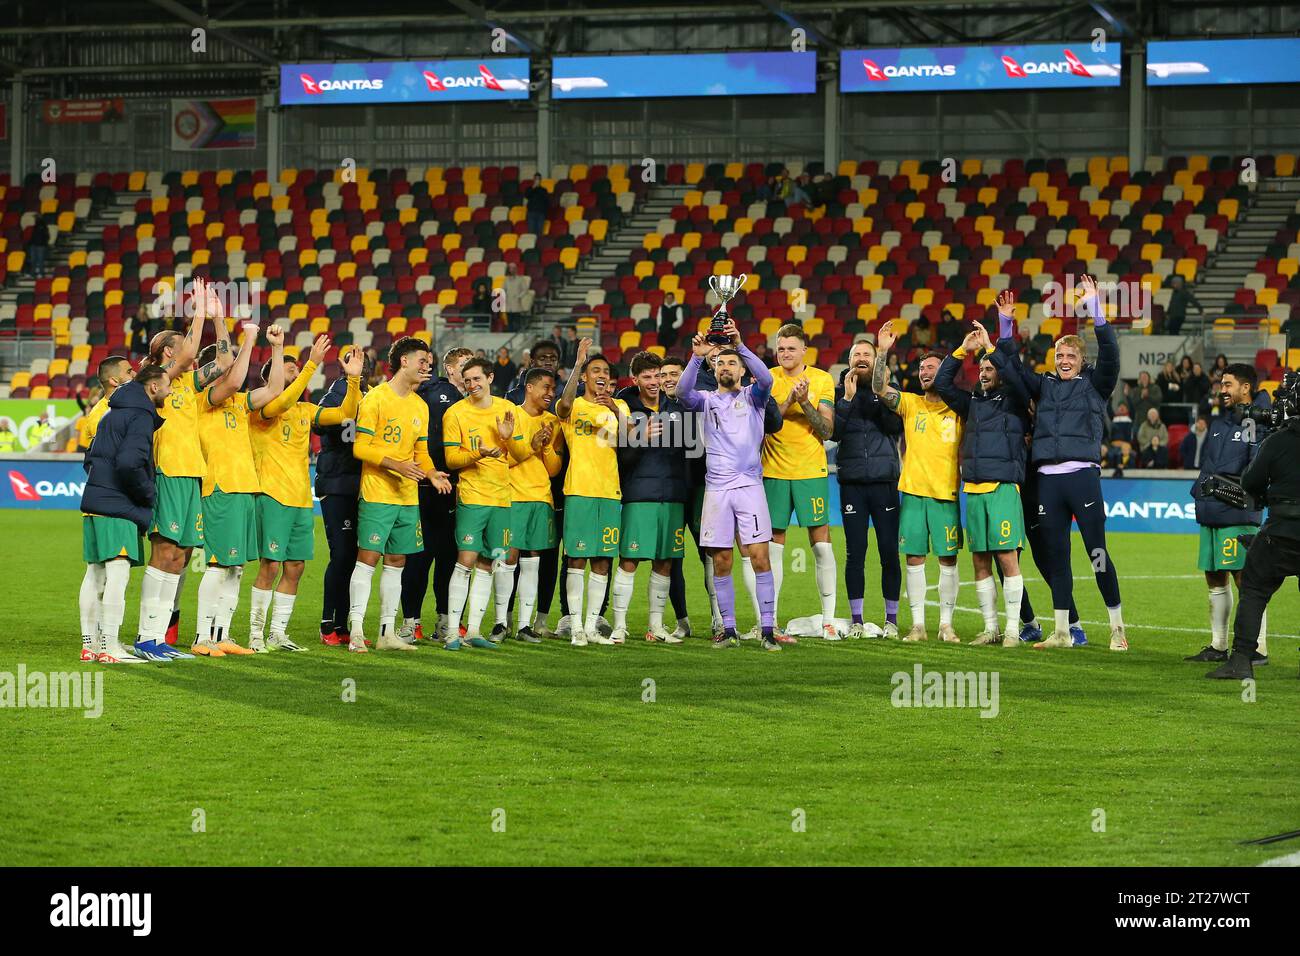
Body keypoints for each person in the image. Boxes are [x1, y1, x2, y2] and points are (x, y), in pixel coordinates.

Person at [997, 275, 1128, 651]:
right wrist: (1006, 325)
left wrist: (1095, 310)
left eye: (1071, 356)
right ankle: (1061, 632)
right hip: (1048, 482)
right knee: (1056, 559)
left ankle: (1117, 628)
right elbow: (1012, 369)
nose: (1065, 360)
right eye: (1059, 357)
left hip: (1082, 477)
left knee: (1097, 554)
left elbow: (1112, 356)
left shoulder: (1096, 385)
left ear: (1081, 360)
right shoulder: (1045, 385)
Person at [248, 337, 362, 652]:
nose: (297, 372)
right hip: (272, 494)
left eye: (297, 368)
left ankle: (278, 633)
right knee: (269, 566)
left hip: (300, 498)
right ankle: (256, 634)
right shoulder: (264, 406)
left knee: (295, 566)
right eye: (290, 369)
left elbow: (344, 415)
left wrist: (353, 379)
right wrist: (311, 362)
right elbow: (281, 401)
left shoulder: (305, 410)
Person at [136, 278, 232, 655]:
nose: (191, 355)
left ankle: (159, 637)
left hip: (193, 475)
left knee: (180, 557)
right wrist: (199, 313)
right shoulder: (153, 382)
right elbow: (191, 349)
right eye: (182, 350)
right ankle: (146, 636)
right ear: (165, 354)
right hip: (168, 473)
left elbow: (223, 362)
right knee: (164, 554)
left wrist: (219, 318)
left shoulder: (189, 383)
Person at [674, 322, 781, 652]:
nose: (725, 366)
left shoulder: (754, 396)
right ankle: (729, 630)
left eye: (731, 362)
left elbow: (767, 378)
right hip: (717, 491)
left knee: (760, 557)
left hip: (750, 487)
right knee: (721, 561)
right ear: (714, 368)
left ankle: (767, 630)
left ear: (741, 368)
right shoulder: (706, 400)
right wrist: (695, 357)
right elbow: (680, 393)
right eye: (720, 362)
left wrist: (741, 345)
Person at [346, 336, 451, 653]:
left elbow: (421, 453)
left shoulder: (420, 405)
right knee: (368, 560)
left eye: (430, 363)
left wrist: (431, 473)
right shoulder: (375, 399)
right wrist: (397, 465)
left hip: (407, 497)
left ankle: (386, 632)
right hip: (378, 493)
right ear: (403, 361)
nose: (427, 366)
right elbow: (359, 447)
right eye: (423, 360)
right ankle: (355, 631)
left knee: (396, 561)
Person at [192, 323, 288, 657]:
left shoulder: (238, 402)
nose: (237, 370)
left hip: (245, 487)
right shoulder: (204, 398)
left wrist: (276, 347)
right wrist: (248, 340)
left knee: (235, 568)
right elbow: (232, 378)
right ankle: (202, 636)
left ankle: (223, 635)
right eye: (229, 363)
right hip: (219, 488)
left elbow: (275, 388)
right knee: (218, 565)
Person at [933, 319, 1031, 647]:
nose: (985, 372)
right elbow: (944, 384)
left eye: (990, 368)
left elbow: (1018, 378)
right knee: (979, 560)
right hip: (973, 489)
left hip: (1003, 487)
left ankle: (1014, 631)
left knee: (1007, 557)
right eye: (982, 369)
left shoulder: (1016, 399)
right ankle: (991, 628)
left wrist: (991, 348)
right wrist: (964, 350)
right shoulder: (972, 402)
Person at [873, 324, 963, 643]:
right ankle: (918, 626)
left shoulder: (959, 409)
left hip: (946, 493)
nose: (924, 372)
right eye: (922, 368)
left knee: (948, 560)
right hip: (912, 493)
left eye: (931, 368)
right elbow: (880, 388)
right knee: (913, 559)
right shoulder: (911, 403)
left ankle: (946, 625)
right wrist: (882, 351)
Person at [77, 365, 172, 664]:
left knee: (94, 574)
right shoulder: (140, 415)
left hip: (95, 501)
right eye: (167, 385)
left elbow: (90, 456)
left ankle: (90, 645)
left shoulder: (111, 411)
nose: (170, 391)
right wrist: (147, 495)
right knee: (117, 576)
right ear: (154, 387)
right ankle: (109, 646)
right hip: (118, 505)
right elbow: (131, 462)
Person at [1204, 394, 1300, 680]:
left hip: (1281, 531)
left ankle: (1242, 659)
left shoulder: (1278, 440)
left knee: (1254, 591)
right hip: (1281, 531)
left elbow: (1250, 482)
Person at [1187, 365, 1270, 667]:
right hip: (1211, 509)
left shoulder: (1257, 424)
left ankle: (1257, 648)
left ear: (1245, 388)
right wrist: (1202, 491)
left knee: (1244, 579)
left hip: (1236, 512)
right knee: (1214, 576)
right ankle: (1218, 645)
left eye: (1228, 384)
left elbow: (1257, 471)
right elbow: (1209, 465)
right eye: (1221, 384)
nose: (1221, 390)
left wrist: (1227, 491)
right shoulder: (1220, 422)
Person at [441, 357, 525, 648]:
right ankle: (453, 632)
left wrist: (508, 439)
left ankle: (474, 632)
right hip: (472, 496)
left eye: (477, 379)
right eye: (467, 381)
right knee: (466, 560)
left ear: (490, 378)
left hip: (502, 498)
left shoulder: (508, 409)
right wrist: (479, 454)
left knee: (489, 562)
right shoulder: (455, 414)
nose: (472, 385)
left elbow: (520, 454)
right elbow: (452, 460)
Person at [761, 323, 838, 640]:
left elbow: (827, 431)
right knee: (773, 549)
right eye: (780, 348)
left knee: (821, 545)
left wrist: (805, 402)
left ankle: (828, 621)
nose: (785, 354)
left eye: (791, 348)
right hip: (774, 472)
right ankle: (771, 621)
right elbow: (766, 423)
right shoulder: (767, 379)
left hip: (810, 472)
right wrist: (789, 400)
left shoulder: (822, 379)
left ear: (804, 350)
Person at [610, 351, 688, 645]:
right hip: (639, 493)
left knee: (664, 562)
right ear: (635, 380)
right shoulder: (626, 409)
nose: (655, 382)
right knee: (630, 559)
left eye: (658, 376)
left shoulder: (677, 407)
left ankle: (656, 626)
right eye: (648, 377)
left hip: (671, 494)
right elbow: (621, 456)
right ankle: (619, 625)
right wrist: (640, 438)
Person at [554, 339, 628, 646]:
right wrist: (577, 363)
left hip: (610, 492)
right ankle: (575, 628)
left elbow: (630, 441)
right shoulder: (574, 407)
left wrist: (615, 410)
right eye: (594, 369)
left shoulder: (619, 406)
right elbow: (563, 405)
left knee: (602, 560)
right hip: (580, 490)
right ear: (585, 376)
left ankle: (591, 627)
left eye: (605, 371)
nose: (600, 374)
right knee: (576, 558)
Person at [833, 340, 903, 638]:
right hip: (852, 484)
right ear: (849, 362)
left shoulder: (889, 390)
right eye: (856, 354)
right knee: (855, 553)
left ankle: (891, 620)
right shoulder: (839, 393)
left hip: (884, 482)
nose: (861, 358)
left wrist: (879, 392)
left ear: (876, 362)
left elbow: (893, 426)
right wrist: (847, 399)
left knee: (889, 552)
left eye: (867, 354)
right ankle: (857, 620)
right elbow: (833, 432)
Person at [401, 346, 471, 643]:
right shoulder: (433, 392)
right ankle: (410, 622)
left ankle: (446, 620)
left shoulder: (474, 401)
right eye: (465, 365)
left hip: (460, 487)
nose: (470, 372)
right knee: (421, 555)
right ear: (451, 369)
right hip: (428, 486)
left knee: (450, 557)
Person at [314, 348, 375, 647]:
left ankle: (343, 621)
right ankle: (329, 622)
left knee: (353, 556)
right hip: (338, 484)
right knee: (342, 555)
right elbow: (318, 422)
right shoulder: (339, 390)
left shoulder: (375, 395)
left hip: (361, 485)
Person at [505, 367, 565, 643]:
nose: (550, 393)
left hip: (541, 498)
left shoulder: (553, 422)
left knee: (533, 561)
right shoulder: (509, 415)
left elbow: (553, 470)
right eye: (546, 387)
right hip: (513, 496)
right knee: (508, 559)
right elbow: (504, 461)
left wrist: (545, 447)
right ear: (529, 387)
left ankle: (524, 625)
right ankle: (500, 621)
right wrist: (530, 444)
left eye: (553, 389)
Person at [78, 357, 134, 453]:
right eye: (129, 372)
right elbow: (109, 455)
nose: (135, 375)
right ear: (114, 381)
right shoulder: (98, 416)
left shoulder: (136, 404)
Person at [1106, 402, 1135, 472]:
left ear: (1127, 409)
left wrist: (1127, 396)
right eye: (1120, 407)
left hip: (1125, 445)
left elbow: (1133, 409)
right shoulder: (1114, 418)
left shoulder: (1129, 418)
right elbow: (1109, 409)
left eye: (1123, 407)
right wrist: (1111, 398)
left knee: (1121, 454)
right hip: (1114, 444)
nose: (1121, 408)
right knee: (1110, 455)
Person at [502, 263, 530, 332]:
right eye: (511, 268)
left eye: (514, 268)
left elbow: (525, 290)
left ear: (516, 269)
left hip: (516, 304)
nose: (512, 270)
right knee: (509, 323)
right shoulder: (506, 280)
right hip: (508, 304)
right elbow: (503, 290)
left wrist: (519, 296)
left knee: (517, 323)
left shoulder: (520, 279)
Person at [25, 213, 50, 278]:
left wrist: (44, 243)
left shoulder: (43, 226)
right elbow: (33, 236)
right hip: (34, 245)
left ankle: (41, 273)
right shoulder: (35, 226)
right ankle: (32, 273)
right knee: (33, 260)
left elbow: (46, 236)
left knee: (40, 260)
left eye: (36, 218)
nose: (35, 219)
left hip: (40, 245)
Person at [525, 173, 550, 237]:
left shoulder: (544, 190)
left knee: (539, 233)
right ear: (533, 180)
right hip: (531, 213)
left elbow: (547, 202)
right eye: (536, 179)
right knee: (531, 233)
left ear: (540, 180)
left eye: (538, 179)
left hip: (540, 214)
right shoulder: (529, 189)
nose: (537, 180)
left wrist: (544, 213)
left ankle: (538, 246)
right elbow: (526, 196)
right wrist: (533, 188)